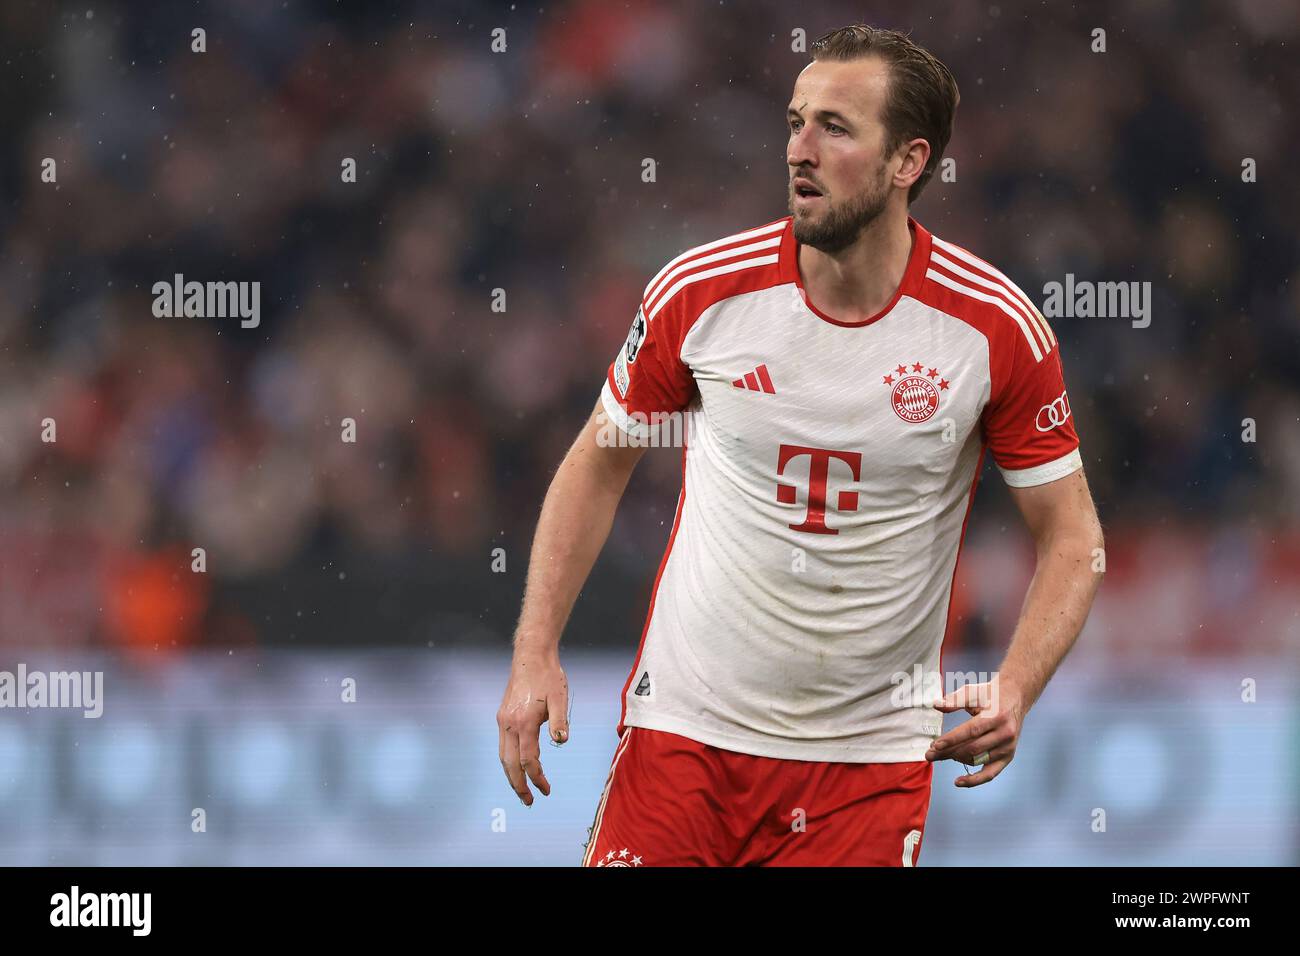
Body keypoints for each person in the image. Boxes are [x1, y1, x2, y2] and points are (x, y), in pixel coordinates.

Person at [497, 23, 1104, 867]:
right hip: (685, 738)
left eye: (836, 127)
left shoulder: (991, 329)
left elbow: (1073, 536)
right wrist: (535, 652)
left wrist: (1019, 684)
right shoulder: (702, 295)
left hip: (867, 765)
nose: (799, 151)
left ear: (909, 162)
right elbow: (598, 465)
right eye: (795, 122)